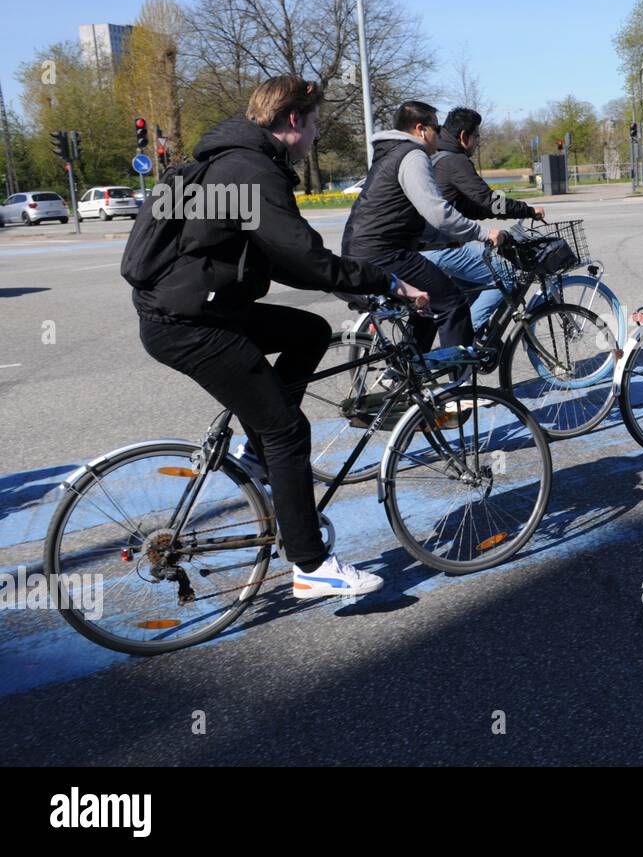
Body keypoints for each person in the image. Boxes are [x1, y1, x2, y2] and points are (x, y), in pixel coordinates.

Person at [133, 75, 428, 599]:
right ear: (293, 120)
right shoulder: (250, 170)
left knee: (309, 330)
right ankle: (312, 565)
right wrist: (382, 279)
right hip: (190, 325)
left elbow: (283, 259)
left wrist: (349, 283)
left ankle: (256, 454)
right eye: (314, 124)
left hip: (189, 309)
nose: (315, 136)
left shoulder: (226, 160)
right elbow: (304, 257)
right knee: (288, 430)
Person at [342, 100, 503, 352]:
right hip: (384, 252)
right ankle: (456, 385)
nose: (439, 135)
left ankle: (410, 377)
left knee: (426, 306)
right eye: (436, 129)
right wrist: (483, 234)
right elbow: (437, 211)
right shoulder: (412, 154)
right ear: (421, 129)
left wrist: (442, 240)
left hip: (363, 248)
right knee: (452, 302)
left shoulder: (390, 152)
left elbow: (400, 215)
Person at [428, 107, 541, 329]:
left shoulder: (437, 157)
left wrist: (502, 209)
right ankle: (467, 340)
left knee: (468, 295)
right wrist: (526, 210)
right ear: (463, 136)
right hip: (442, 247)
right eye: (476, 137)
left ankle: (468, 344)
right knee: (507, 274)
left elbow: (473, 206)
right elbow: (489, 200)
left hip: (430, 244)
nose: (477, 142)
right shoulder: (454, 161)